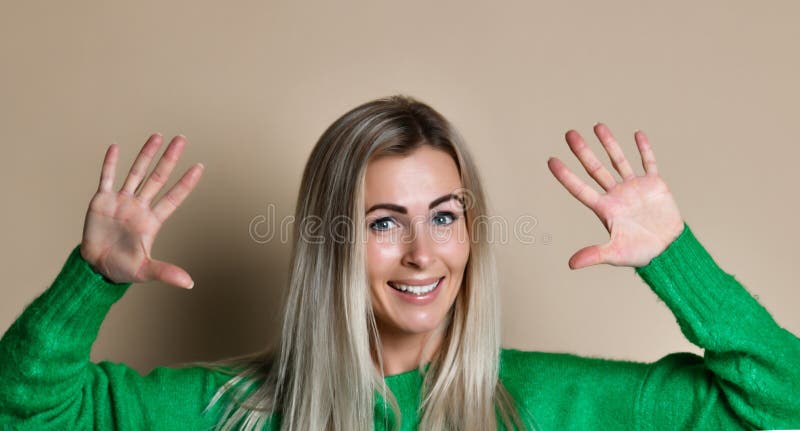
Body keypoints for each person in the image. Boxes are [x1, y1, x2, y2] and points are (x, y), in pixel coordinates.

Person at [0, 95, 798, 430]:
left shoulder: (553, 401)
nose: (424, 252)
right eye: (384, 221)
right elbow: (25, 412)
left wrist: (676, 259)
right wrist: (92, 278)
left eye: (444, 216)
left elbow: (781, 407)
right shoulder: (232, 409)